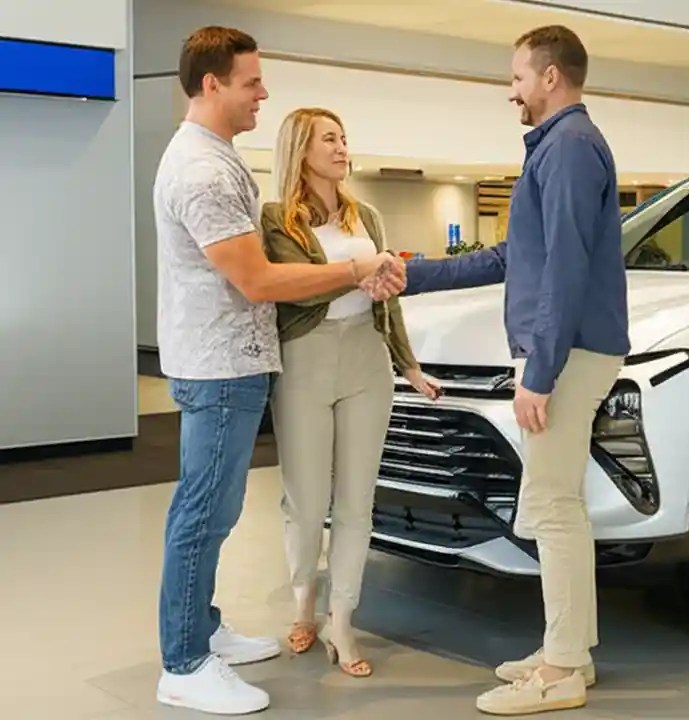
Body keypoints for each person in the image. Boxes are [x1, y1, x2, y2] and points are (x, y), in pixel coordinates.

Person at [371, 24, 629, 716]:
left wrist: (539, 372)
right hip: (565, 353)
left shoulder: (571, 148)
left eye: (517, 76)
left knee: (551, 507)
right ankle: (567, 650)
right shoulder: (554, 151)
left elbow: (568, 271)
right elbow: (512, 259)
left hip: (568, 358)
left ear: (550, 77)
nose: (509, 89)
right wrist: (414, 273)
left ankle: (564, 668)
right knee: (557, 504)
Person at [152, 27, 401, 715]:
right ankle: (184, 661)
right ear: (211, 84)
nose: (263, 92)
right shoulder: (202, 172)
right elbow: (257, 280)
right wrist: (354, 269)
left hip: (240, 362)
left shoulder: (216, 158)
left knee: (218, 510)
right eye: (251, 81)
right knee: (203, 515)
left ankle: (201, 631)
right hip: (220, 365)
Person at [260, 107, 442, 679]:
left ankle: (342, 619)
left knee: (358, 501)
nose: (341, 148)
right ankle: (303, 603)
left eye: (343, 138)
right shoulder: (276, 220)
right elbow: (295, 293)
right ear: (301, 150)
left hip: (366, 357)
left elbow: (387, 298)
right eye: (328, 139)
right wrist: (360, 270)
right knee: (307, 502)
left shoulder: (367, 216)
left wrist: (408, 366)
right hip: (306, 358)